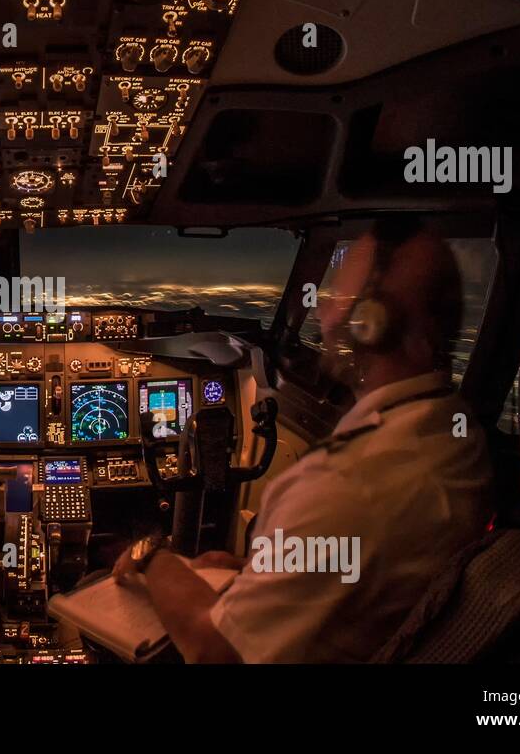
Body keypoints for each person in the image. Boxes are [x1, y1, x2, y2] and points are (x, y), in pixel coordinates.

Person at [113, 218, 494, 663]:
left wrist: (151, 553)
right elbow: (355, 584)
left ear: (372, 322)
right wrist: (257, 573)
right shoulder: (453, 433)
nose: (324, 310)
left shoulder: (350, 485)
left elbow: (214, 651)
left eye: (340, 294)